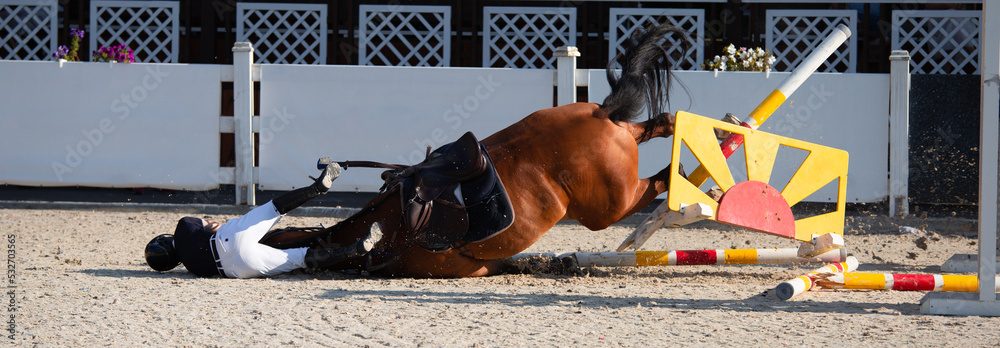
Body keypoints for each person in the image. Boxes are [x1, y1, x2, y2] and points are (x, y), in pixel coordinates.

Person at [143, 163, 383, 278]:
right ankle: (317, 188)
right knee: (275, 208)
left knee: (300, 258)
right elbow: (214, 226)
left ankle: (355, 248)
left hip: (237, 268)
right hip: (226, 238)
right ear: (163, 241)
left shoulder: (192, 268)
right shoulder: (183, 226)